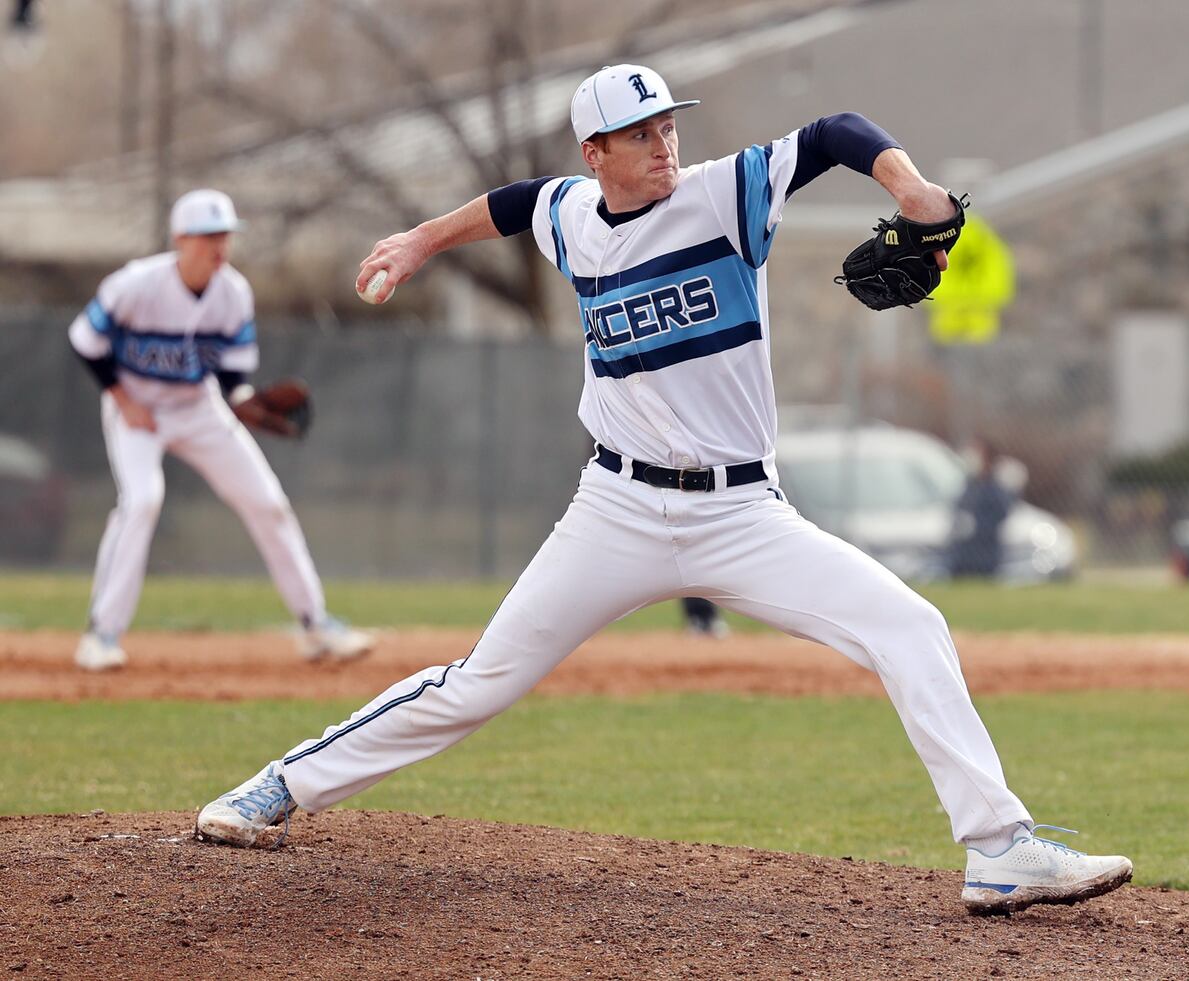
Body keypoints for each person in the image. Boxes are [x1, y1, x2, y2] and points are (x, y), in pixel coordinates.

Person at [195, 66, 1131, 914]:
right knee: (480, 682)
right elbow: (518, 203)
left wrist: (909, 188)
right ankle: (281, 784)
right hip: (616, 509)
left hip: (742, 515)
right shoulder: (573, 215)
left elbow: (836, 130)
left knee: (909, 625)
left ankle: (999, 849)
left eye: (667, 126)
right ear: (595, 153)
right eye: (639, 134)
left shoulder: (723, 195)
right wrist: (422, 240)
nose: (663, 144)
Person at [68, 189, 376, 671]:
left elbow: (232, 375)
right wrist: (123, 400)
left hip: (198, 407)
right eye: (208, 235)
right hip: (138, 409)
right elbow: (84, 340)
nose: (219, 246)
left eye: (225, 235)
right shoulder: (136, 284)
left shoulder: (233, 292)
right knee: (141, 501)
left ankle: (316, 626)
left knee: (268, 503)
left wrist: (245, 401)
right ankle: (101, 635)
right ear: (180, 238)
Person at [947, 437, 1014, 578]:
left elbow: (1000, 516)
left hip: (984, 558)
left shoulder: (995, 489)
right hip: (961, 557)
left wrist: (976, 526)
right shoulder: (969, 485)